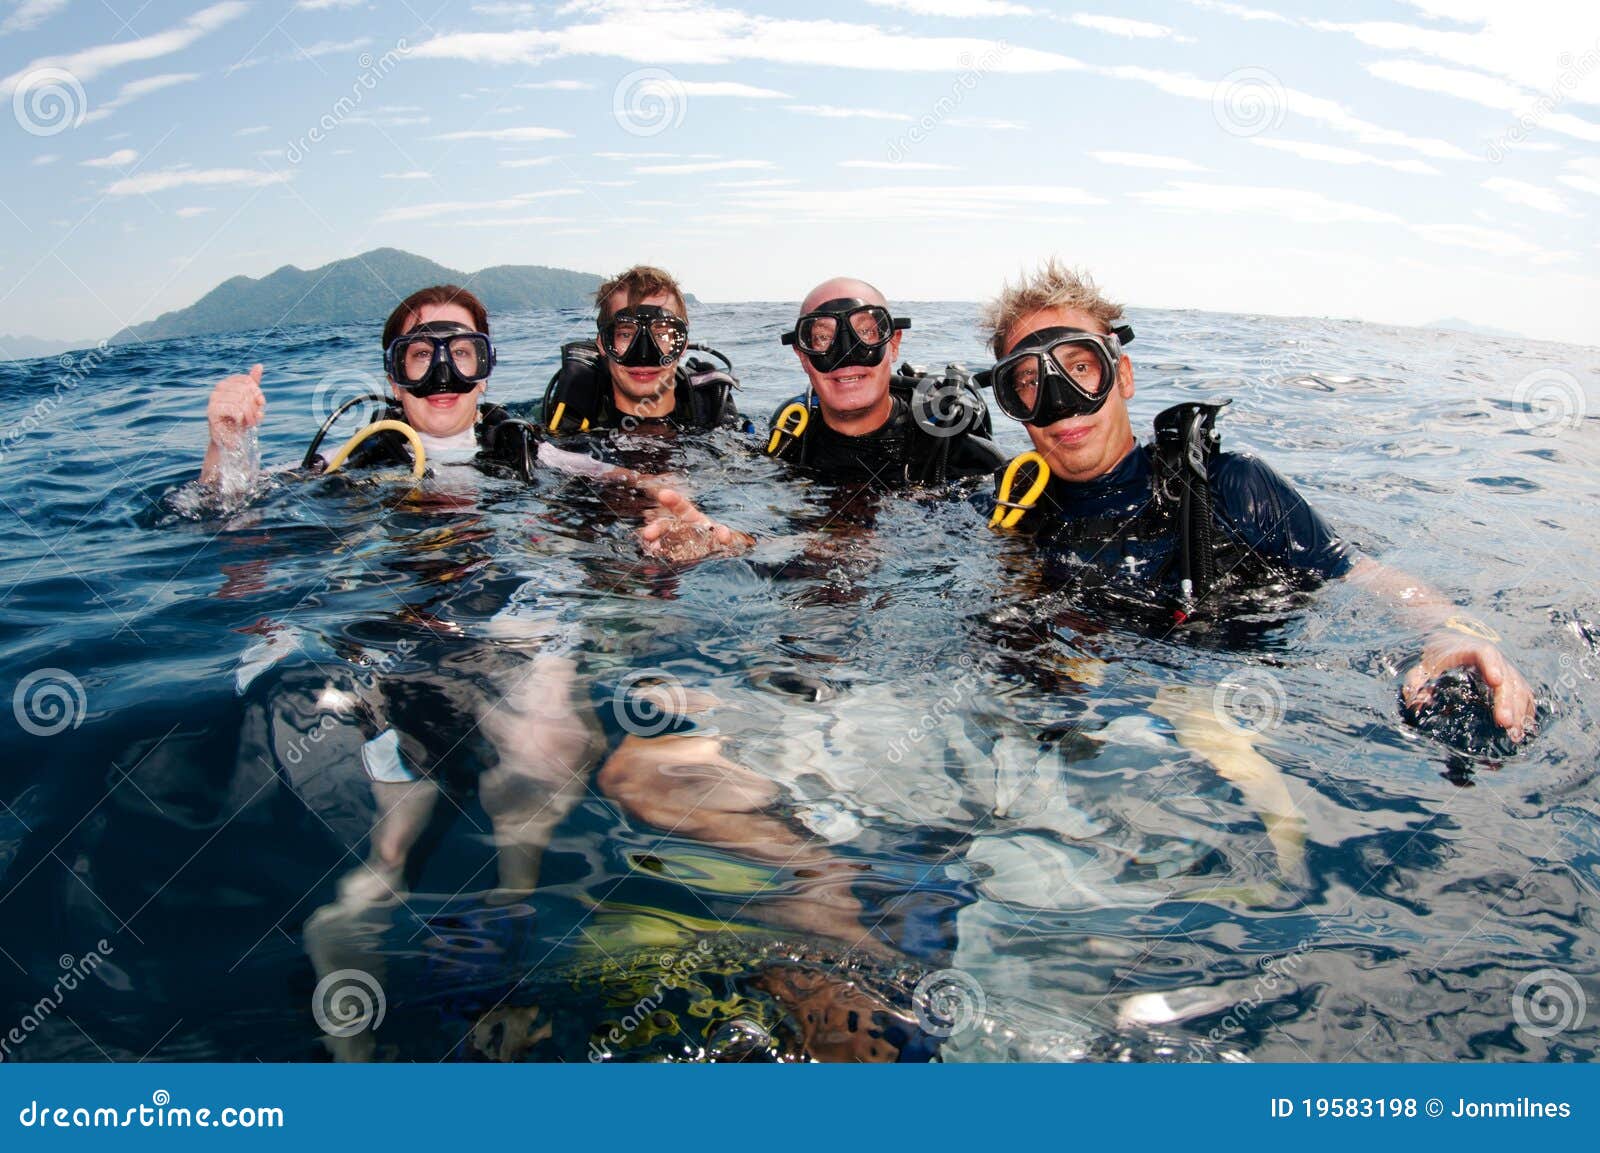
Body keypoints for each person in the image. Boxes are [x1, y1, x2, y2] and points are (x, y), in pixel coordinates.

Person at [981, 259, 1537, 738]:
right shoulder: (1008, 513)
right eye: (1027, 383)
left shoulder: (1234, 489)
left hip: (1241, 710)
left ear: (1121, 375)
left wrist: (1448, 631)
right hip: (1077, 713)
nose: (1060, 402)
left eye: (1080, 368)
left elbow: (1362, 576)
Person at [199, 284, 605, 487]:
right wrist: (226, 444)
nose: (443, 375)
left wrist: (666, 507)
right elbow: (226, 508)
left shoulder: (528, 448)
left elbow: (629, 481)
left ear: (484, 374)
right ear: (395, 380)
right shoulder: (350, 459)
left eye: (462, 353)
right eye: (423, 355)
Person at [536, 264, 747, 436]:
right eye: (626, 334)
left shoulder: (713, 417)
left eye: (662, 334)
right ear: (602, 344)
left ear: (682, 345)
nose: (644, 355)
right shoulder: (566, 423)